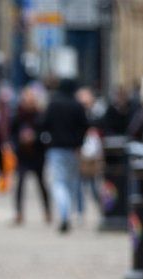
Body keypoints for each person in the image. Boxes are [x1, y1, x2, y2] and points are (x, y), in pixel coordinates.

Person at [38, 78, 89, 233]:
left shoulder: (53, 104)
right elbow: (85, 125)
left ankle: (64, 214)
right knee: (72, 183)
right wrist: (79, 143)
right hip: (73, 150)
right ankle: (71, 213)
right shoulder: (77, 105)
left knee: (58, 183)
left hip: (56, 149)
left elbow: (43, 124)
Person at [11, 87, 49, 225]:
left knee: (42, 184)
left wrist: (35, 137)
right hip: (22, 155)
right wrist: (18, 142)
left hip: (37, 154)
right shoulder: (18, 115)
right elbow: (12, 133)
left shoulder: (40, 115)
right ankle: (19, 213)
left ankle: (47, 211)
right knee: (20, 184)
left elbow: (46, 133)